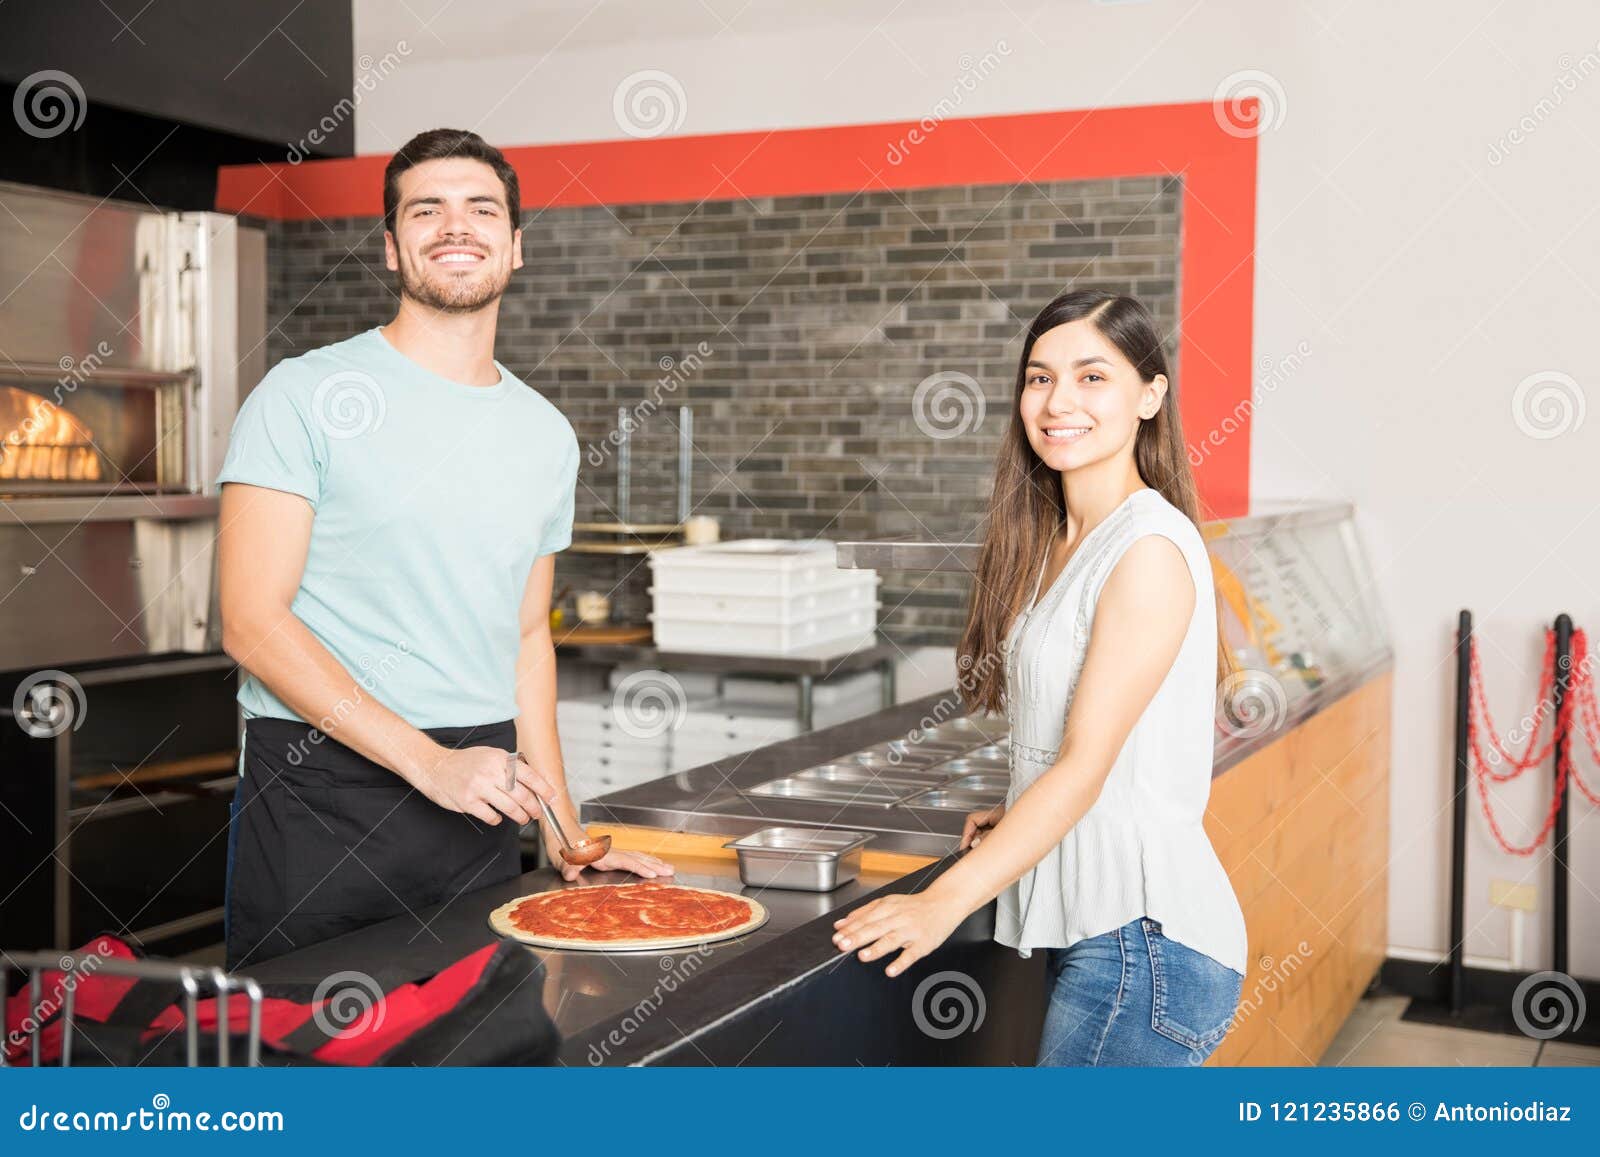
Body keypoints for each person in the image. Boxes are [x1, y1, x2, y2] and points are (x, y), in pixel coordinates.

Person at [216, 128, 671, 970]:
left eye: (481, 209)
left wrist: (569, 836)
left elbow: (527, 637)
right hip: (323, 795)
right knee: (312, 1069)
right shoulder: (305, 396)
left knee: (476, 1057)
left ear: (516, 245)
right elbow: (250, 621)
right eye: (427, 209)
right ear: (392, 248)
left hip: (480, 803)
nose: (455, 226)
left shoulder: (545, 433)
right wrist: (429, 764)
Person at [833, 290, 1246, 1066]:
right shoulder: (1061, 536)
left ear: (1150, 395)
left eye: (1093, 377)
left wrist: (941, 902)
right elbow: (1082, 745)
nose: (1059, 401)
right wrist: (1021, 802)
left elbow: (1087, 765)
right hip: (1111, 937)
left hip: (1143, 945)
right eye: (1039, 377)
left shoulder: (1148, 545)